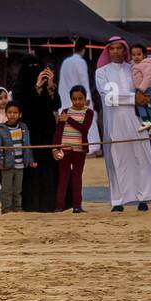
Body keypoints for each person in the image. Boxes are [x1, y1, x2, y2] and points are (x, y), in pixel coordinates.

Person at [94, 37, 151, 211]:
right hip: (114, 122)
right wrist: (134, 98)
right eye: (112, 49)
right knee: (118, 159)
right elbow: (108, 98)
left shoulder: (134, 68)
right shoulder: (101, 72)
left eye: (119, 48)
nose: (116, 52)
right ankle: (118, 201)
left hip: (137, 120)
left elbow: (149, 93)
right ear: (108, 51)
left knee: (141, 157)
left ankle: (144, 198)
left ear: (125, 51)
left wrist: (147, 99)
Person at [14, 55, 59, 213]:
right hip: (29, 130)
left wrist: (50, 85)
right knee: (31, 165)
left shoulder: (49, 85)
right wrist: (37, 88)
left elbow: (55, 104)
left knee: (48, 165)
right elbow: (23, 106)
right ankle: (31, 203)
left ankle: (50, 202)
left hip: (47, 129)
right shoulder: (19, 87)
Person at [54, 85, 94, 213]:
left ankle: (77, 206)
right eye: (74, 99)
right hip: (64, 149)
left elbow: (84, 128)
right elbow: (58, 132)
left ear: (85, 98)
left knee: (77, 177)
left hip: (79, 150)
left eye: (80, 98)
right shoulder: (65, 111)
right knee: (63, 178)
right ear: (71, 99)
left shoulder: (88, 112)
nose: (77, 102)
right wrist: (55, 148)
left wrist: (69, 119)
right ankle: (60, 206)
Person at [59, 38, 101, 154]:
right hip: (80, 97)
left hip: (67, 98)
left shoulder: (66, 62)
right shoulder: (80, 62)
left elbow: (62, 82)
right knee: (88, 120)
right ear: (83, 50)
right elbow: (84, 79)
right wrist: (87, 97)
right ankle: (91, 147)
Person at [0, 102, 35, 214]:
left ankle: (17, 207)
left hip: (20, 164)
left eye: (15, 112)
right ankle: (6, 209)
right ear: (6, 114)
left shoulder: (24, 128)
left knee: (18, 189)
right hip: (7, 165)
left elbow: (28, 146)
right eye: (10, 112)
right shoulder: (0, 129)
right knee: (6, 189)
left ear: (20, 114)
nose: (12, 115)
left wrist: (30, 161)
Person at [130, 43, 151, 132]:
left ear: (144, 55)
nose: (136, 57)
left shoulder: (146, 64)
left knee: (140, 104)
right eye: (133, 55)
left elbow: (148, 77)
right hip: (145, 87)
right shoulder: (136, 64)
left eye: (139, 54)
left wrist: (141, 89)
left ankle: (145, 121)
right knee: (149, 106)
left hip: (146, 88)